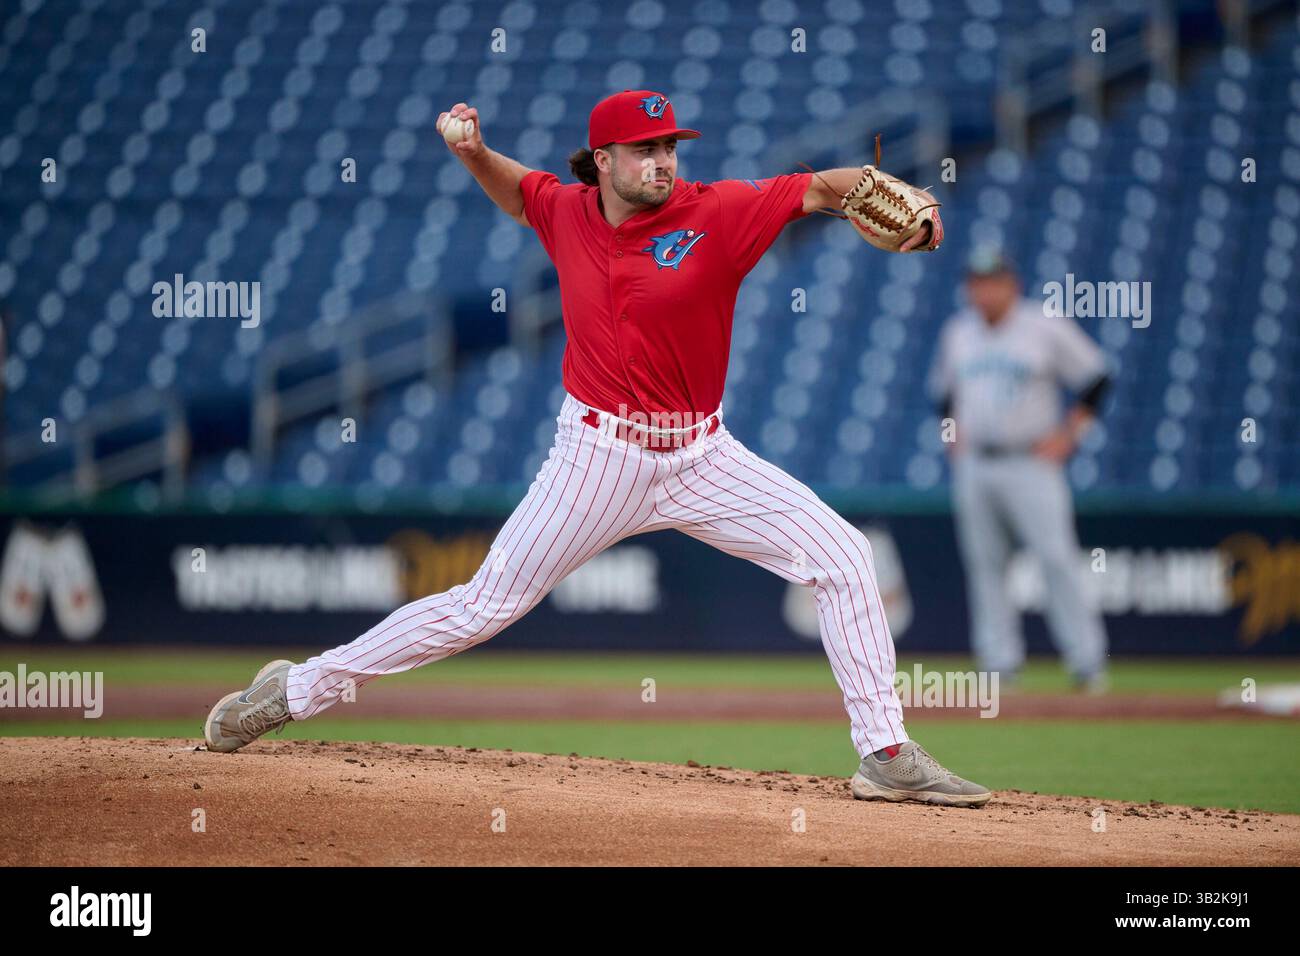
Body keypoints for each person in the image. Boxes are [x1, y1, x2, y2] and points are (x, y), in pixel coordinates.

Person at [206, 90, 990, 807]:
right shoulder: (569, 210)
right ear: (604, 161)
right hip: (598, 457)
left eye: (670, 147)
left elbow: (823, 186)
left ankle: (884, 753)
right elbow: (522, 192)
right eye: (645, 148)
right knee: (481, 607)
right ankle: (294, 691)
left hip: (702, 455)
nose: (662, 161)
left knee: (846, 558)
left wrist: (886, 194)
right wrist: (472, 151)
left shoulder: (717, 212)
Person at [929, 246, 1111, 692]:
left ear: (1013, 284)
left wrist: (1070, 435)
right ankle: (998, 664)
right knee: (985, 564)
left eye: (992, 281)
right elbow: (943, 396)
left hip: (1031, 460)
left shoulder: (1042, 327)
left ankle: (1086, 662)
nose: (984, 290)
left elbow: (1097, 379)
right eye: (976, 282)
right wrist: (952, 438)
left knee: (1055, 559)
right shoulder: (959, 332)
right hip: (977, 463)